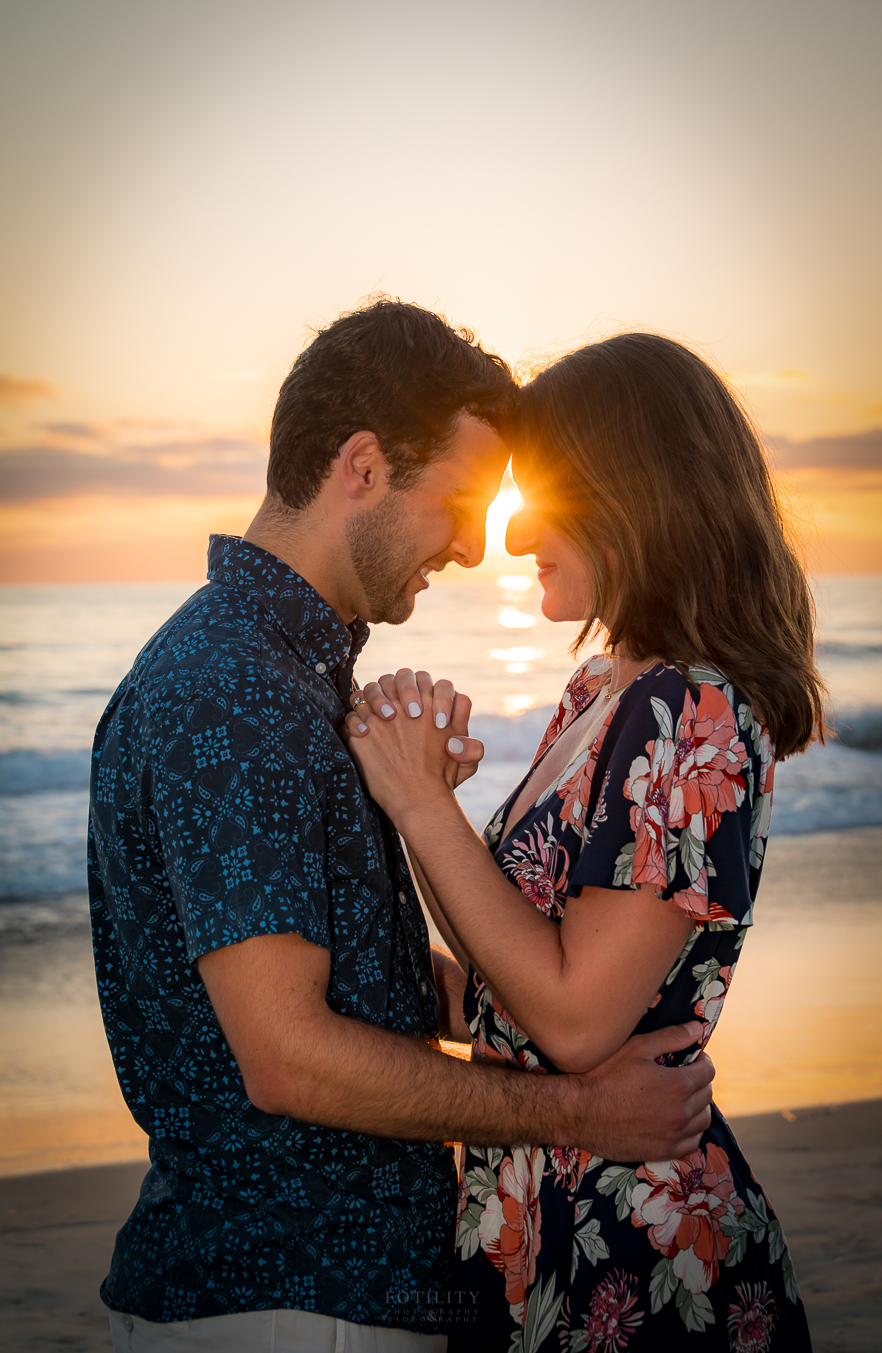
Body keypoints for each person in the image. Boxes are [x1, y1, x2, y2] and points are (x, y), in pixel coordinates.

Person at [88, 303, 715, 1353]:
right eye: (461, 501)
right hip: (296, 1295)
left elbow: (334, 979)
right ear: (364, 468)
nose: (474, 545)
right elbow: (289, 1055)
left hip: (329, 1292)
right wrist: (580, 1114)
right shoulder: (234, 690)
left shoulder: (285, 672)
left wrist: (511, 1002)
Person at [344, 332, 822, 1350]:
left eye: (541, 499)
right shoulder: (600, 694)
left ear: (626, 497)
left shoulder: (689, 712)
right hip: (531, 1206)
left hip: (629, 1239)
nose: (513, 539)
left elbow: (570, 1022)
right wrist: (413, 810)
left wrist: (425, 807)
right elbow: (512, 978)